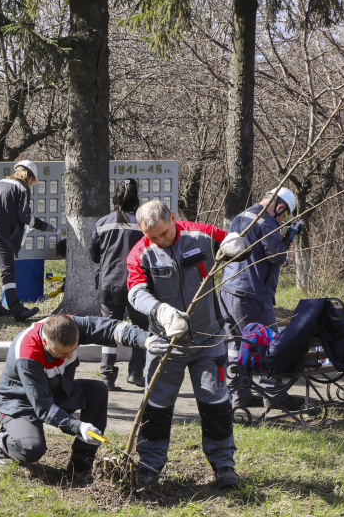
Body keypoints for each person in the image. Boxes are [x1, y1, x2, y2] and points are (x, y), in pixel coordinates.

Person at [126, 200, 248, 489]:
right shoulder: (140, 252)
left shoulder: (201, 235)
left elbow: (238, 245)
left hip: (209, 341)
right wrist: (160, 311)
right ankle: (149, 465)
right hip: (166, 345)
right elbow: (135, 293)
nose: (157, 240)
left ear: (173, 218)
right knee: (155, 406)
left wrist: (236, 245)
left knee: (216, 404)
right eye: (150, 236)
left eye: (162, 233)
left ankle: (223, 466)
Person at [0, 313, 167, 478]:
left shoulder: (71, 326)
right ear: (45, 342)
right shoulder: (28, 354)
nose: (69, 356)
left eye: (73, 349)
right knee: (31, 449)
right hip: (20, 403)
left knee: (97, 390)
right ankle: (4, 443)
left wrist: (145, 339)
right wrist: (78, 426)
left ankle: (81, 463)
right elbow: (44, 407)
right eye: (62, 353)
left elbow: (113, 329)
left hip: (58, 391)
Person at [220, 188, 306, 411]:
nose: (282, 219)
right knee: (269, 341)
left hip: (228, 288)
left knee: (235, 343)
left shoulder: (241, 216)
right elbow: (277, 258)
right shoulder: (267, 221)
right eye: (283, 215)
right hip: (252, 292)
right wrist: (287, 241)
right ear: (279, 207)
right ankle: (273, 394)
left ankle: (239, 394)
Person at [0, 160, 56, 321]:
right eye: (33, 180)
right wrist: (44, 226)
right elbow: (24, 216)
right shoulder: (22, 188)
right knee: (8, 270)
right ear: (29, 176)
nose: (32, 183)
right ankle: (16, 308)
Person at [89, 178, 147, 390]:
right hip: (137, 286)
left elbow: (94, 255)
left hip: (109, 285)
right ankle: (136, 372)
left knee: (109, 331)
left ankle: (107, 376)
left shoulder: (103, 223)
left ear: (116, 197)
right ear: (136, 198)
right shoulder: (143, 224)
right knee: (142, 327)